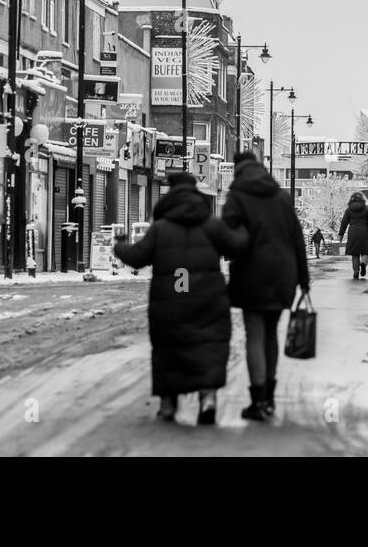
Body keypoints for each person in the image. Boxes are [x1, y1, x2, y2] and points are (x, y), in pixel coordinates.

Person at [114, 172, 247, 425]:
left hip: (170, 299)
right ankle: (207, 398)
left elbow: (136, 256)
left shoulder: (160, 229)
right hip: (207, 298)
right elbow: (237, 245)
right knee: (207, 345)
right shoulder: (211, 225)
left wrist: (119, 245)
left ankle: (168, 403)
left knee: (169, 347)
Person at [223, 150, 309, 421]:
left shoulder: (237, 197)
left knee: (255, 334)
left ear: (239, 170)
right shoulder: (281, 197)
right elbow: (298, 239)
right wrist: (304, 280)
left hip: (251, 272)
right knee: (271, 333)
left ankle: (258, 399)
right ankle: (269, 398)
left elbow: (228, 237)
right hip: (283, 273)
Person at [338, 191, 368, 280]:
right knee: (365, 251)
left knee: (355, 254)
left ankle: (356, 272)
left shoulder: (348, 210)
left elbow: (344, 223)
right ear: (362, 199)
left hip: (353, 233)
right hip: (365, 232)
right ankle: (363, 263)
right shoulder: (366, 208)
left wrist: (341, 234)